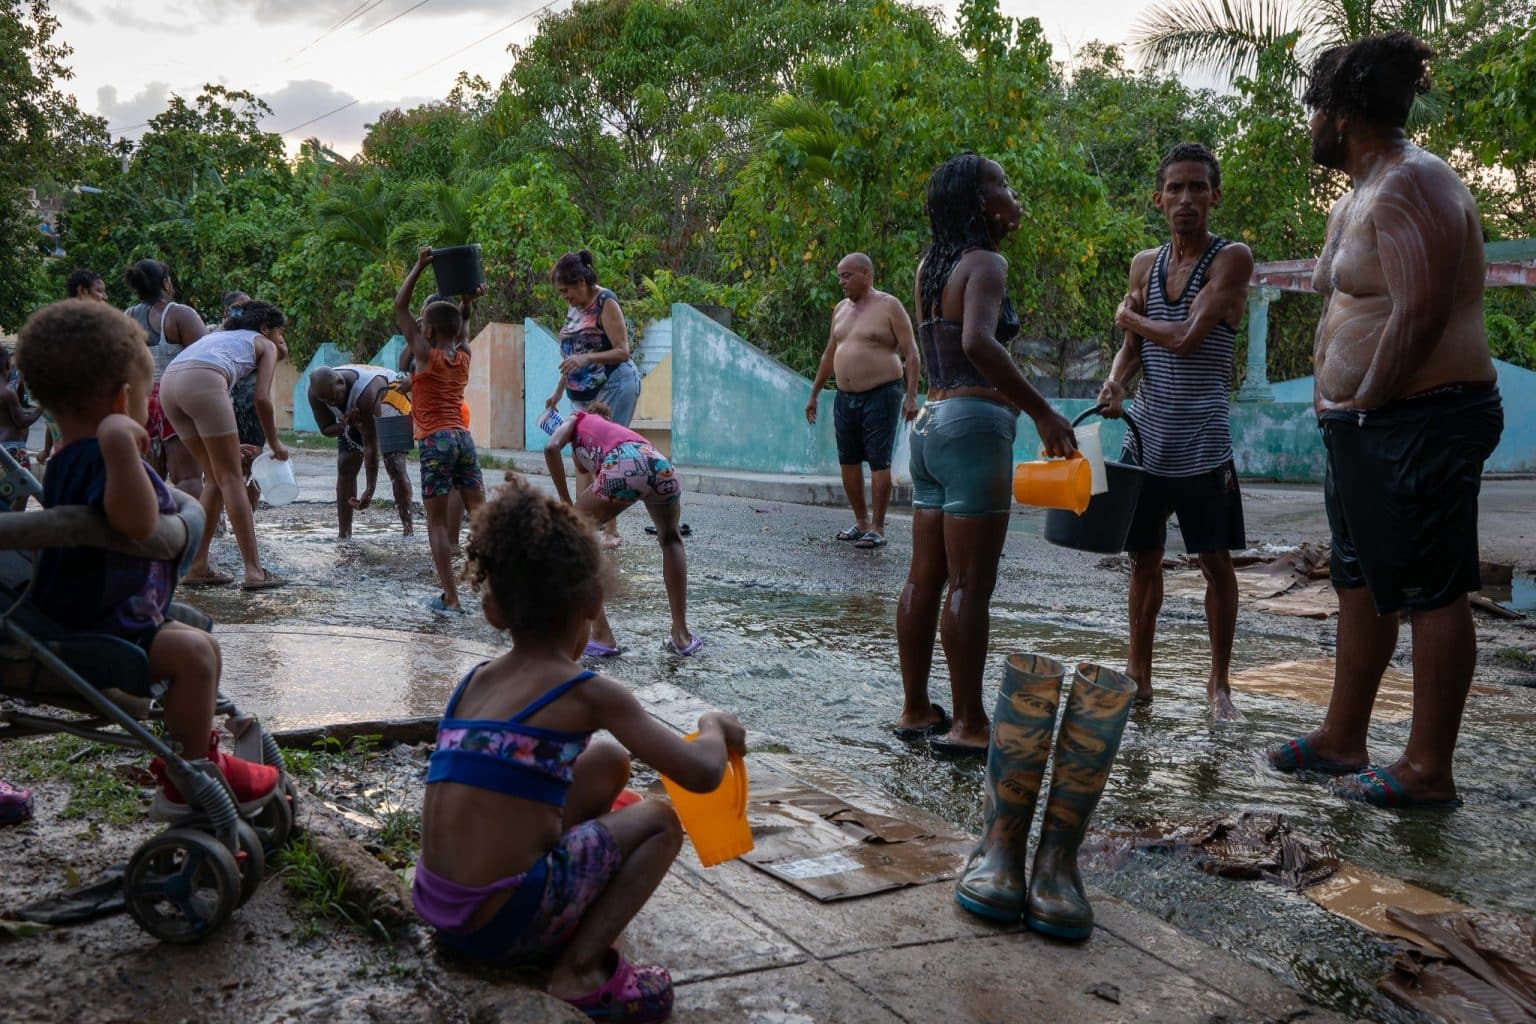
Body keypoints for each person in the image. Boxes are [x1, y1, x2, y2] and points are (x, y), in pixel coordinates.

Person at [1268, 33, 1503, 808]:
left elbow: (1421, 312)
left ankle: (1428, 768)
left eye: (1313, 111)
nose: (1309, 127)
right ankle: (1344, 737)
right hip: (1368, 423)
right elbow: (1353, 306)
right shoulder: (1356, 195)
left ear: (1338, 113)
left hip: (1422, 415)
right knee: (1359, 581)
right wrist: (1343, 409)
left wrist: (1365, 402)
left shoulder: (1415, 183)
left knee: (1433, 589)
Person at [411, 477, 745, 1021]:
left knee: (611, 761)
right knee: (660, 821)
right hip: (499, 925)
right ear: (593, 601)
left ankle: (552, 885)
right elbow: (702, 775)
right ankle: (579, 971)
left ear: (494, 610)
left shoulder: (474, 680)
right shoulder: (589, 692)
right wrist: (713, 724)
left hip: (440, 908)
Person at [14, 300, 279, 815]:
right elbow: (137, 525)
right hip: (89, 627)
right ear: (123, 399)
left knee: (201, 641)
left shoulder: (70, 457)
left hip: (105, 612)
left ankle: (199, 754)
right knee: (196, 656)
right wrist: (119, 446)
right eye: (147, 393)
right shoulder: (98, 456)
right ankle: (187, 777)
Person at [895, 154, 1077, 757]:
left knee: (925, 580)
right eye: (1004, 185)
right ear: (980, 203)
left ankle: (916, 707)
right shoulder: (987, 264)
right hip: (973, 426)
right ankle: (970, 725)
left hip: (927, 427)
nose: (1013, 194)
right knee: (970, 585)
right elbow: (976, 341)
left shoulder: (931, 266)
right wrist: (1042, 410)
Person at [1096, 143, 1254, 722]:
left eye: (1197, 188)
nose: (1186, 199)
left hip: (1203, 445)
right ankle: (1139, 675)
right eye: (1175, 189)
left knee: (1215, 564)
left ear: (1215, 195)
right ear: (1158, 199)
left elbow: (1188, 336)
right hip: (1147, 440)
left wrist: (1130, 316)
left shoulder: (1230, 259)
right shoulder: (1145, 264)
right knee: (1143, 561)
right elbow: (1132, 349)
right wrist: (1115, 382)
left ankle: (1219, 686)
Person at [544, 400, 697, 656]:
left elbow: (551, 447)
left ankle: (601, 636)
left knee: (570, 539)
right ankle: (681, 636)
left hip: (624, 464)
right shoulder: (610, 434)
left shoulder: (577, 418)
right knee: (671, 539)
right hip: (661, 465)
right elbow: (591, 474)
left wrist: (565, 503)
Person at [159, 301, 290, 590]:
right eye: (280, 332)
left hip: (169, 385)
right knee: (232, 478)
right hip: (203, 381)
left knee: (215, 481)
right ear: (266, 328)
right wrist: (275, 442)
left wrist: (230, 446)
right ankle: (254, 571)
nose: (281, 340)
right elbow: (262, 400)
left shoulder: (216, 337)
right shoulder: (263, 344)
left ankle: (197, 565)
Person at [805, 253, 920, 549]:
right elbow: (829, 354)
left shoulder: (889, 306)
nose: (841, 282)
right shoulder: (841, 310)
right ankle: (860, 522)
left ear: (866, 275)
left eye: (847, 275)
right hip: (845, 397)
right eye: (840, 276)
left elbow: (911, 353)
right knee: (848, 460)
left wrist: (910, 396)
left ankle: (878, 527)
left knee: (878, 460)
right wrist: (815, 393)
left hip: (882, 394)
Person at [395, 248, 485, 613]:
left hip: (436, 440)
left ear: (427, 330)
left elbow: (400, 307)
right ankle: (501, 587)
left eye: (423, 324)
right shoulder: (462, 356)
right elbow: (461, 328)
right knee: (481, 518)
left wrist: (419, 265)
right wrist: (466, 300)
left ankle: (451, 597)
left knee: (435, 525)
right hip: (464, 438)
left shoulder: (424, 355)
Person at [546, 251, 642, 550]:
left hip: (614, 386)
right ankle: (584, 527)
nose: (564, 298)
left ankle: (610, 531)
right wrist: (559, 391)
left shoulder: (605, 302)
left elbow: (623, 351)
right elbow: (570, 356)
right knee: (580, 460)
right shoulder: (574, 310)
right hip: (580, 394)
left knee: (603, 459)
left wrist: (586, 357)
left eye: (566, 291)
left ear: (581, 282)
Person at [124, 259, 206, 498]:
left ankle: (148, 530)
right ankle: (195, 533)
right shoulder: (179, 314)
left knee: (148, 476)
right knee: (188, 477)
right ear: (166, 283)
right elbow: (205, 360)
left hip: (139, 401)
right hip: (175, 398)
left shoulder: (127, 317)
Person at [307, 364, 414, 537]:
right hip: (355, 415)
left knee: (395, 466)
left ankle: (408, 531)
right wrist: (345, 424)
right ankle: (344, 535)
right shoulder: (317, 394)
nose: (332, 404)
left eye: (334, 398)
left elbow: (371, 447)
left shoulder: (366, 393)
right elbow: (326, 429)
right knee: (345, 464)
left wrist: (369, 491)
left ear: (341, 383)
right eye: (326, 401)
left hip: (393, 404)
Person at [0, 347, 43, 508]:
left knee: (5, 494)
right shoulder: (7, 393)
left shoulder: (9, 392)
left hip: (1, 449)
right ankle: (12, 529)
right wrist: (41, 409)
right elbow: (21, 422)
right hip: (14, 450)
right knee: (24, 490)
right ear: (7, 364)